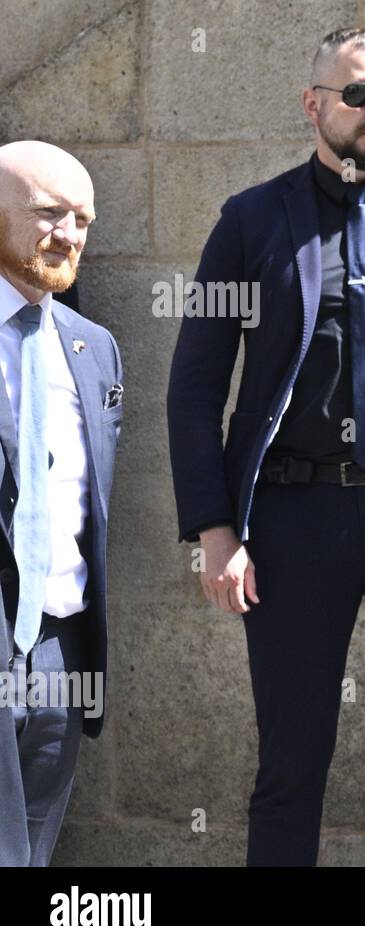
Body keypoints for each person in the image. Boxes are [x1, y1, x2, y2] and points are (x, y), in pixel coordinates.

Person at [165, 27, 365, 866]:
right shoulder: (251, 221)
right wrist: (215, 532)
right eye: (358, 95)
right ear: (314, 104)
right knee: (291, 762)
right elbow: (196, 384)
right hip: (292, 519)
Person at [0, 141, 123, 866]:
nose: (69, 233)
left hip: (59, 648)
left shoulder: (93, 347)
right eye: (50, 213)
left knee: (31, 854)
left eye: (83, 219)